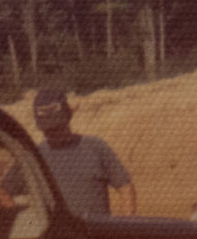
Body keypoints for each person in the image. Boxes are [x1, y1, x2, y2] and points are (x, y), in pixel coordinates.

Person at [29, 88, 134, 219]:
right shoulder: (34, 156)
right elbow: (5, 191)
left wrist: (126, 225)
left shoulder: (96, 147)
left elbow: (124, 186)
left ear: (68, 117)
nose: (54, 132)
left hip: (95, 235)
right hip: (56, 237)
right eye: (49, 129)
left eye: (58, 126)